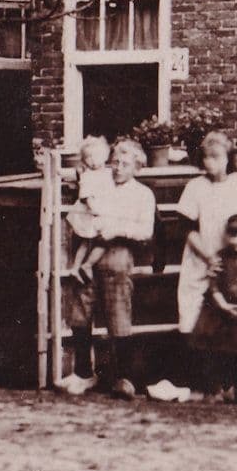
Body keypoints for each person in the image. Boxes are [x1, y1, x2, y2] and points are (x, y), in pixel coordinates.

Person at [149, 130, 237, 402]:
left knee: (231, 323)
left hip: (236, 265)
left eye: (216, 157)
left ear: (228, 158)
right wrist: (209, 258)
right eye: (205, 157)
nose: (209, 162)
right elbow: (187, 230)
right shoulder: (196, 187)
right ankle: (199, 384)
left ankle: (232, 385)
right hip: (203, 261)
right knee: (195, 319)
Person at [60, 137, 156, 400]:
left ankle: (122, 376)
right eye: (115, 162)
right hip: (91, 250)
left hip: (118, 254)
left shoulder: (143, 194)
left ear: (137, 167)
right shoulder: (101, 184)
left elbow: (146, 231)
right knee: (81, 311)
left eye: (125, 164)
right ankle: (83, 373)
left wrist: (119, 229)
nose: (118, 168)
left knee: (118, 314)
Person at [189, 213, 237, 404]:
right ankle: (213, 389)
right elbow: (214, 284)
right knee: (215, 348)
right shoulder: (221, 258)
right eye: (233, 236)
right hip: (221, 312)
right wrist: (224, 305)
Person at [67, 135, 114, 283]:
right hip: (90, 213)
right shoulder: (88, 176)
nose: (93, 161)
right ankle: (78, 267)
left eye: (97, 156)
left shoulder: (107, 173)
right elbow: (86, 196)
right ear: (84, 159)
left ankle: (84, 266)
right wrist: (97, 210)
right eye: (88, 157)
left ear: (105, 156)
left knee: (100, 240)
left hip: (103, 210)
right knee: (88, 241)